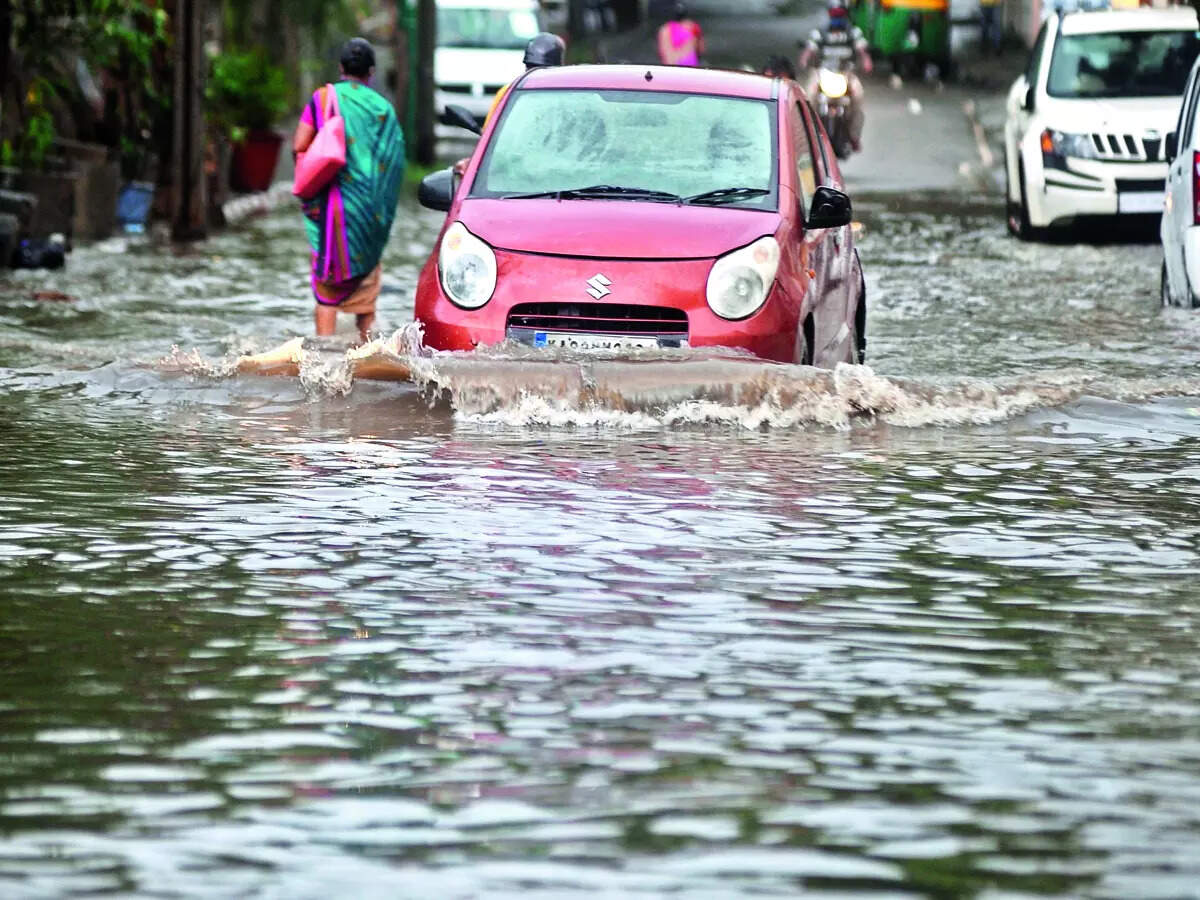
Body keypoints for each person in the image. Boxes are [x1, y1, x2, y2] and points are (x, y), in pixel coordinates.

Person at [292, 38, 405, 343]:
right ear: (371, 72)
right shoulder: (384, 109)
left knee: (328, 292)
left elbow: (299, 145)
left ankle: (324, 360)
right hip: (371, 216)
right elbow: (394, 167)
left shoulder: (324, 98)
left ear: (341, 68)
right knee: (366, 297)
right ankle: (368, 362)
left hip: (334, 213)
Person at [798, 1, 872, 152]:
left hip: (846, 74)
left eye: (840, 14)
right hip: (822, 73)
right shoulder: (820, 32)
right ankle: (809, 134)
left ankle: (853, 136)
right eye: (834, 14)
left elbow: (862, 50)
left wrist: (866, 60)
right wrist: (805, 59)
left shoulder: (854, 32)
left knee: (858, 98)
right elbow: (810, 49)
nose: (837, 17)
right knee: (809, 98)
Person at [485, 32, 566, 128]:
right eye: (531, 68)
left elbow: (487, 132)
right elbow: (488, 131)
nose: (535, 74)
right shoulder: (507, 92)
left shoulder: (510, 91)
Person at [657, 2, 705, 67]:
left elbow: (662, 52)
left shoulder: (664, 29)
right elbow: (701, 49)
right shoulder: (693, 27)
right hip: (690, 68)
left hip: (670, 69)